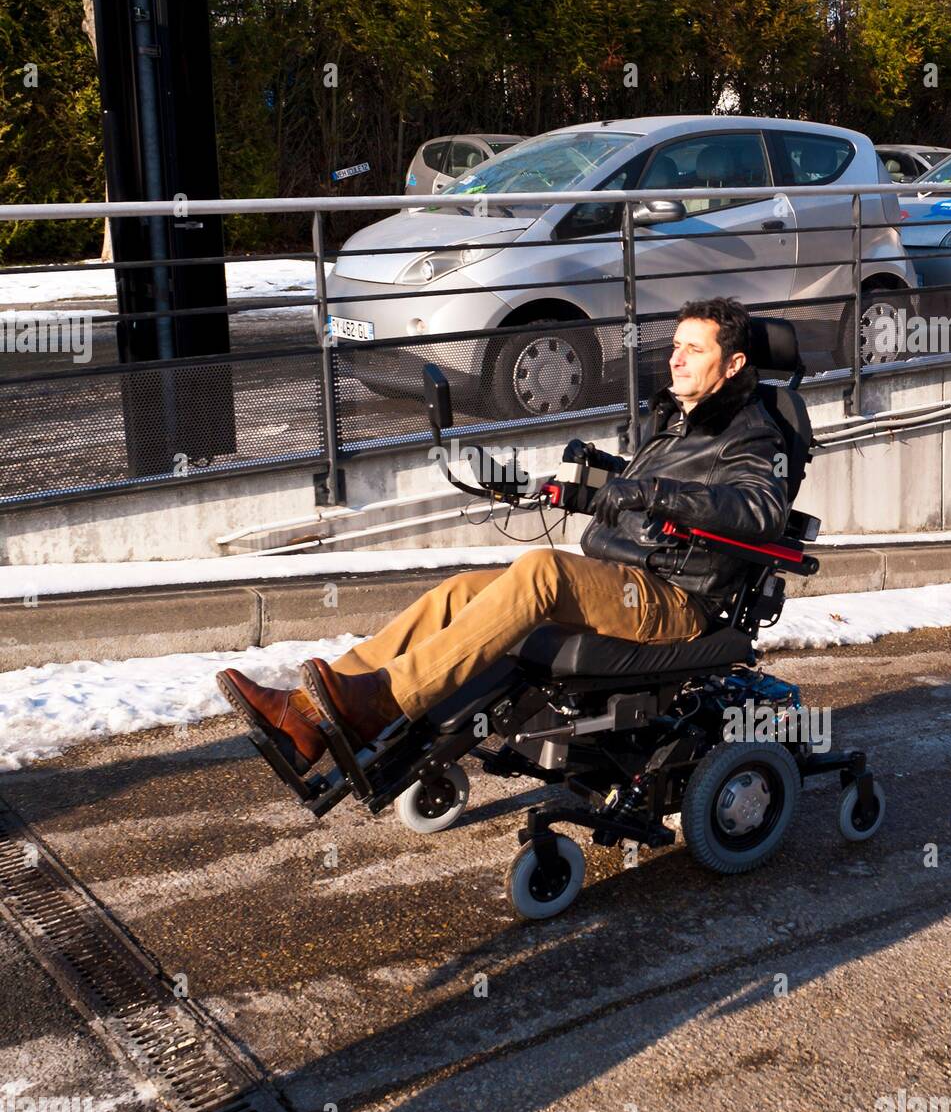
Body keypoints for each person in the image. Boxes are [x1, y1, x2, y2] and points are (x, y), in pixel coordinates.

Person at [217, 296, 788, 775]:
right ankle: (308, 715)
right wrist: (585, 487)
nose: (676, 359)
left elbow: (761, 510)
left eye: (695, 349)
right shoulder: (674, 421)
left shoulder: (750, 433)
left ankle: (382, 703)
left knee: (542, 569)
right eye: (675, 345)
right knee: (460, 591)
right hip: (625, 575)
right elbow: (637, 495)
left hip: (676, 599)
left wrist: (650, 493)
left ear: (733, 364)